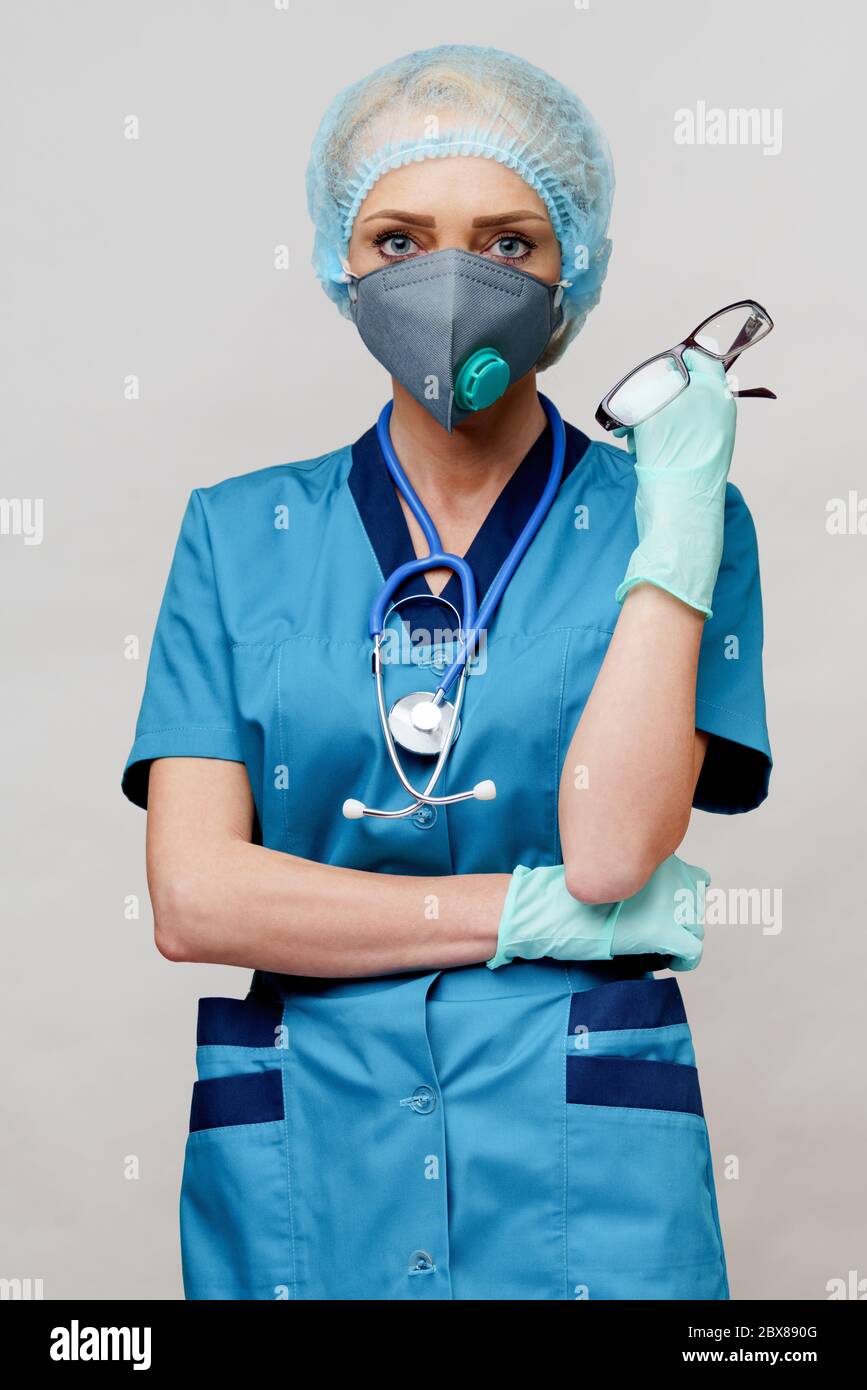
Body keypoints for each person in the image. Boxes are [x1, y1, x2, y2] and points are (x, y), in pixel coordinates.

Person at [122, 45, 771, 1301]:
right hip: (317, 1143)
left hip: (583, 1166)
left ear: (572, 262)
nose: (453, 280)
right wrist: (522, 920)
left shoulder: (676, 519)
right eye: (400, 240)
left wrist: (681, 513)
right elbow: (197, 902)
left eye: (509, 242)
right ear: (341, 265)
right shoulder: (236, 533)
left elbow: (610, 855)